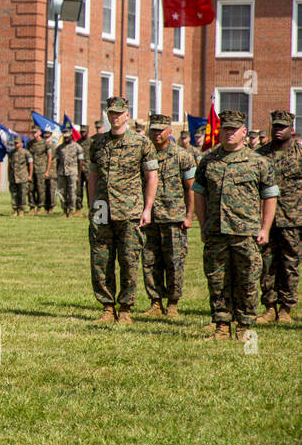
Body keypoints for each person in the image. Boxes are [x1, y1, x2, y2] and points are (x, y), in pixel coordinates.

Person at [193, 110, 277, 341]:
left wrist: (265, 228)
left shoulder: (258, 162)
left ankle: (245, 326)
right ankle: (221, 325)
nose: (229, 133)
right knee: (216, 280)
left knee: (248, 281)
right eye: (225, 129)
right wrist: (203, 224)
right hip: (216, 232)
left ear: (243, 132)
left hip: (246, 232)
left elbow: (270, 196)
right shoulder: (209, 160)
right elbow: (198, 194)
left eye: (234, 129)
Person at [86, 97, 158, 324]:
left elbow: (152, 176)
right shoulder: (97, 143)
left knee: (129, 260)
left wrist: (147, 209)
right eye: (111, 113)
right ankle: (107, 307)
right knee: (101, 259)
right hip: (102, 208)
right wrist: (91, 205)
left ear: (127, 115)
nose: (115, 117)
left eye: (119, 113)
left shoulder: (141, 143)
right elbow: (93, 176)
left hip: (130, 209)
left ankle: (125, 309)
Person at [139, 114, 195, 318]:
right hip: (150, 218)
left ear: (170, 132)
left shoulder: (182, 156)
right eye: (153, 129)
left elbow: (191, 188)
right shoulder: (144, 155)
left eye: (161, 130)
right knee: (150, 261)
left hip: (174, 218)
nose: (157, 133)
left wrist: (189, 215)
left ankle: (172, 303)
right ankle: (155, 302)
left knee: (174, 261)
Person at [256, 110, 300, 323]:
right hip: (266, 219)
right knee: (267, 263)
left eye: (282, 127)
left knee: (290, 263)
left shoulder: (299, 155)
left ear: (292, 129)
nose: (278, 130)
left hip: (293, 219)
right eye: (275, 126)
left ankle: (286, 309)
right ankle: (270, 307)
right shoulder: (260, 155)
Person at [55, 132, 84, 218]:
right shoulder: (59, 148)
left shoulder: (77, 147)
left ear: (71, 136)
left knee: (72, 193)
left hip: (72, 172)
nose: (66, 138)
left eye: (68, 137)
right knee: (62, 192)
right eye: (65, 137)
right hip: (61, 172)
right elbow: (57, 161)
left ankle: (71, 210)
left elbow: (80, 162)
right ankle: (64, 210)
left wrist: (79, 175)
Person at [28, 129, 53, 214]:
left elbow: (49, 157)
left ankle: (40, 207)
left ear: (39, 132)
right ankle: (32, 207)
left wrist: (47, 171)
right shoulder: (30, 144)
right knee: (31, 189)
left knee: (40, 189)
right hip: (32, 169)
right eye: (33, 132)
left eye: (36, 132)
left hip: (41, 169)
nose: (34, 134)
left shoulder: (45, 144)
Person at [8, 135, 30, 215]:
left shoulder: (26, 153)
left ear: (21, 143)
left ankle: (21, 210)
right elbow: (9, 165)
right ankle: (15, 209)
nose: (16, 144)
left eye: (17, 143)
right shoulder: (11, 153)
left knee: (22, 194)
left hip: (23, 177)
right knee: (14, 194)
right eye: (15, 143)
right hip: (13, 177)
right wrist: (8, 176)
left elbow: (30, 164)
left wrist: (30, 175)